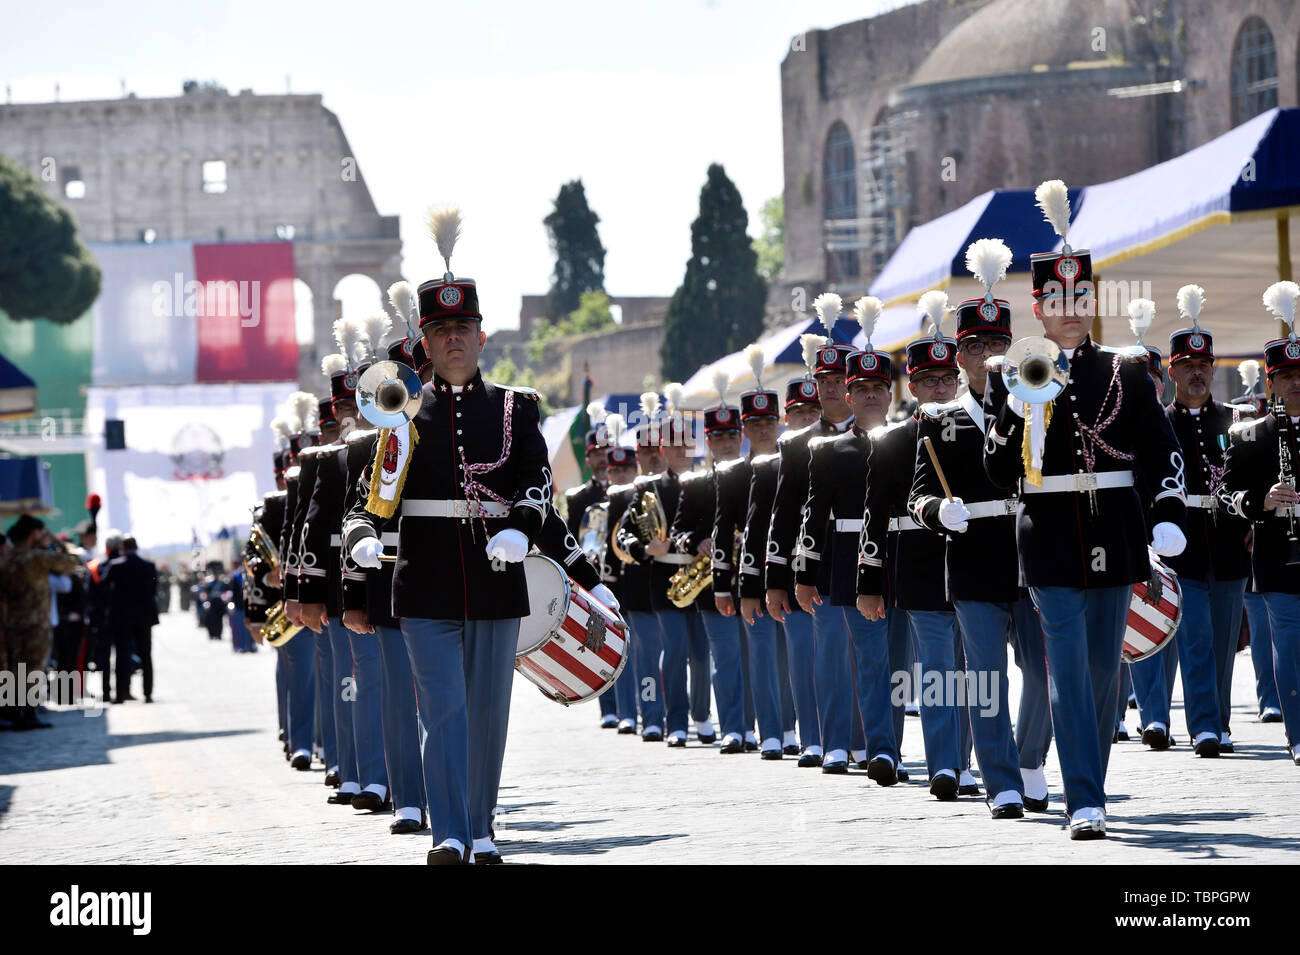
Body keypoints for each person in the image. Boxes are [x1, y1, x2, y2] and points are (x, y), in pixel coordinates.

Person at [344, 210, 553, 864]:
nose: (454, 339)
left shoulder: (518, 408)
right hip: (426, 582)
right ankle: (451, 834)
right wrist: (360, 538)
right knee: (445, 713)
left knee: (487, 717)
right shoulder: (399, 415)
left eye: (464, 328)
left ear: (482, 335)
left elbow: (538, 483)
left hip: (496, 581)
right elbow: (370, 498)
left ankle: (481, 828)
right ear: (426, 343)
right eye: (441, 330)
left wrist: (522, 529)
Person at [983, 180, 1187, 838]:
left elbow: (1161, 447)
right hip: (1046, 536)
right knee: (1066, 667)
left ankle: (1089, 782)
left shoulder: (1126, 370)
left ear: (1090, 301)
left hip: (1118, 531)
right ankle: (1084, 799)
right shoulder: (1013, 368)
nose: (1069, 309)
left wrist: (1167, 511)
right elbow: (994, 467)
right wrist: (1015, 409)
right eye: (1056, 299)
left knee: (1104, 673)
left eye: (1079, 297)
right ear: (1038, 306)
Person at [905, 241, 1053, 815]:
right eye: (975, 346)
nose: (987, 355)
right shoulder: (938, 421)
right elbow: (919, 493)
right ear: (958, 355)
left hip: (1030, 549)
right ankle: (1001, 783)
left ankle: (1031, 757)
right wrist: (936, 513)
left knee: (1043, 671)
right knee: (984, 679)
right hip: (970, 557)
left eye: (997, 344)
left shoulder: (1037, 402)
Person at [857, 292, 967, 799]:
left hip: (977, 564)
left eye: (947, 379)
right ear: (912, 386)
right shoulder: (893, 441)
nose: (939, 388)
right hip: (918, 566)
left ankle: (968, 759)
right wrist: (870, 583)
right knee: (938, 670)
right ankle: (945, 764)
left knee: (977, 670)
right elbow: (874, 519)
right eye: (928, 381)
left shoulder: (981, 432)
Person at [796, 299, 900, 784]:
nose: (841, 391)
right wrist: (797, 573)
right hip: (843, 558)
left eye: (877, 387)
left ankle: (908, 748)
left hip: (908, 556)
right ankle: (856, 743)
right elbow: (801, 514)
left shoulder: (912, 436)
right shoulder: (813, 446)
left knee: (905, 666)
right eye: (836, 384)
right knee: (847, 660)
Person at [767, 321, 858, 773]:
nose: (830, 389)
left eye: (839, 380)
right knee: (829, 651)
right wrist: (775, 579)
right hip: (817, 561)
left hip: (870, 555)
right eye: (823, 381)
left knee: (871, 655)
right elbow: (783, 514)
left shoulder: (880, 435)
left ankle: (868, 741)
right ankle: (833, 740)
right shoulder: (796, 444)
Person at [1219, 280, 1300, 767]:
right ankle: (1298, 733)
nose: (1294, 383)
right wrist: (1261, 502)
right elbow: (1227, 497)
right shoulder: (1248, 437)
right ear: (1269, 382)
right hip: (1278, 558)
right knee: (1288, 649)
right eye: (1285, 375)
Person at [0, 515, 82, 728]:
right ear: (33, 534)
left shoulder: (7, 559)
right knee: (34, 668)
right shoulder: (37, 558)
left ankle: (15, 713)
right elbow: (73, 562)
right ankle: (29, 714)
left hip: (12, 623)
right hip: (37, 624)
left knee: (15, 669)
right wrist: (58, 542)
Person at [104, 537, 160, 703]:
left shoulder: (116, 566)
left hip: (122, 617)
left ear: (123, 548)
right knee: (146, 655)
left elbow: (106, 587)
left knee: (122, 654)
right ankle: (148, 693)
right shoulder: (148, 566)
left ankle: (121, 694)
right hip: (144, 616)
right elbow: (154, 590)